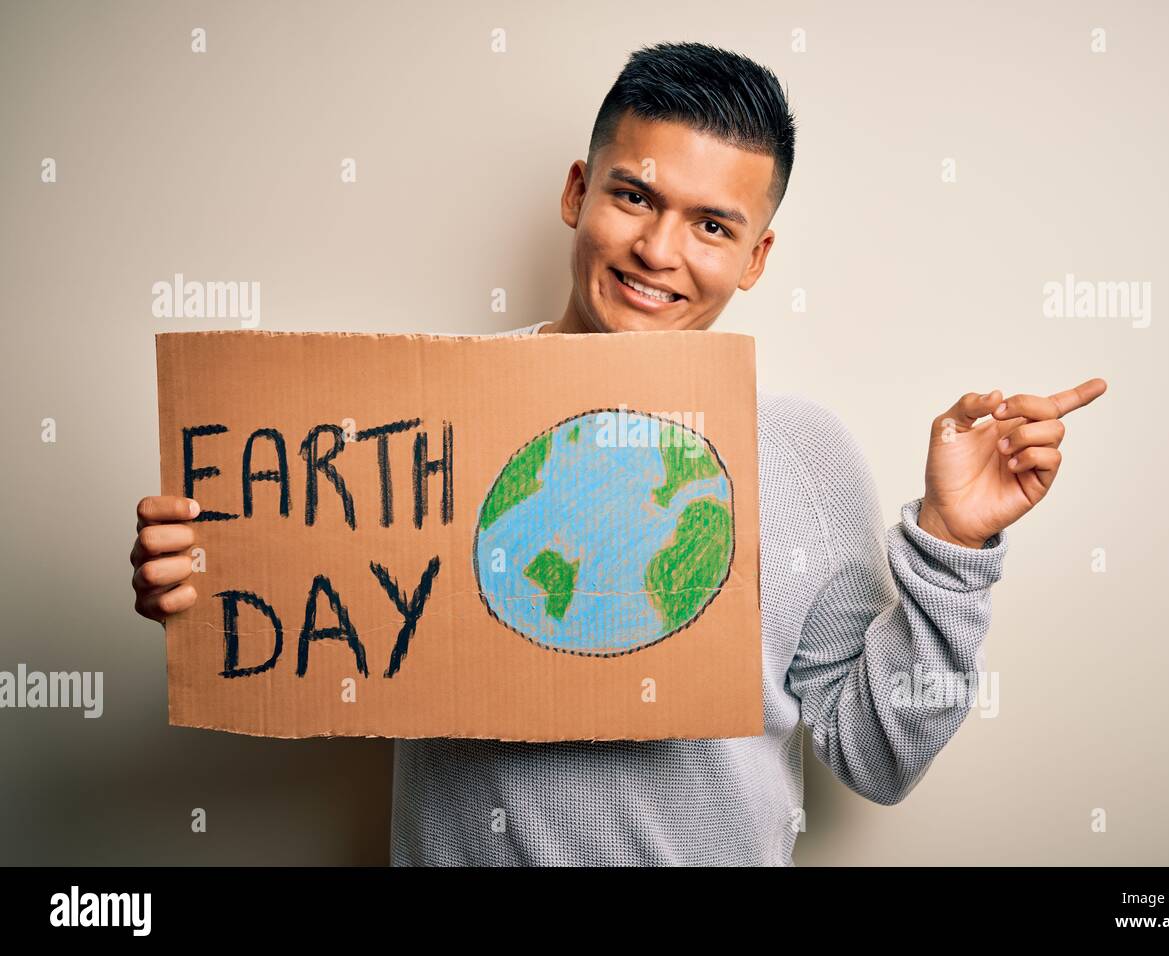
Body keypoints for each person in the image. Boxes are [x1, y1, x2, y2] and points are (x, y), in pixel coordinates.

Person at [130, 42, 1106, 865]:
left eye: (712, 224)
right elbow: (326, 622)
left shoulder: (807, 456)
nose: (657, 249)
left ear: (756, 257)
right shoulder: (422, 416)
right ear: (577, 191)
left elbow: (875, 757)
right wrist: (216, 574)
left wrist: (952, 546)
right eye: (634, 196)